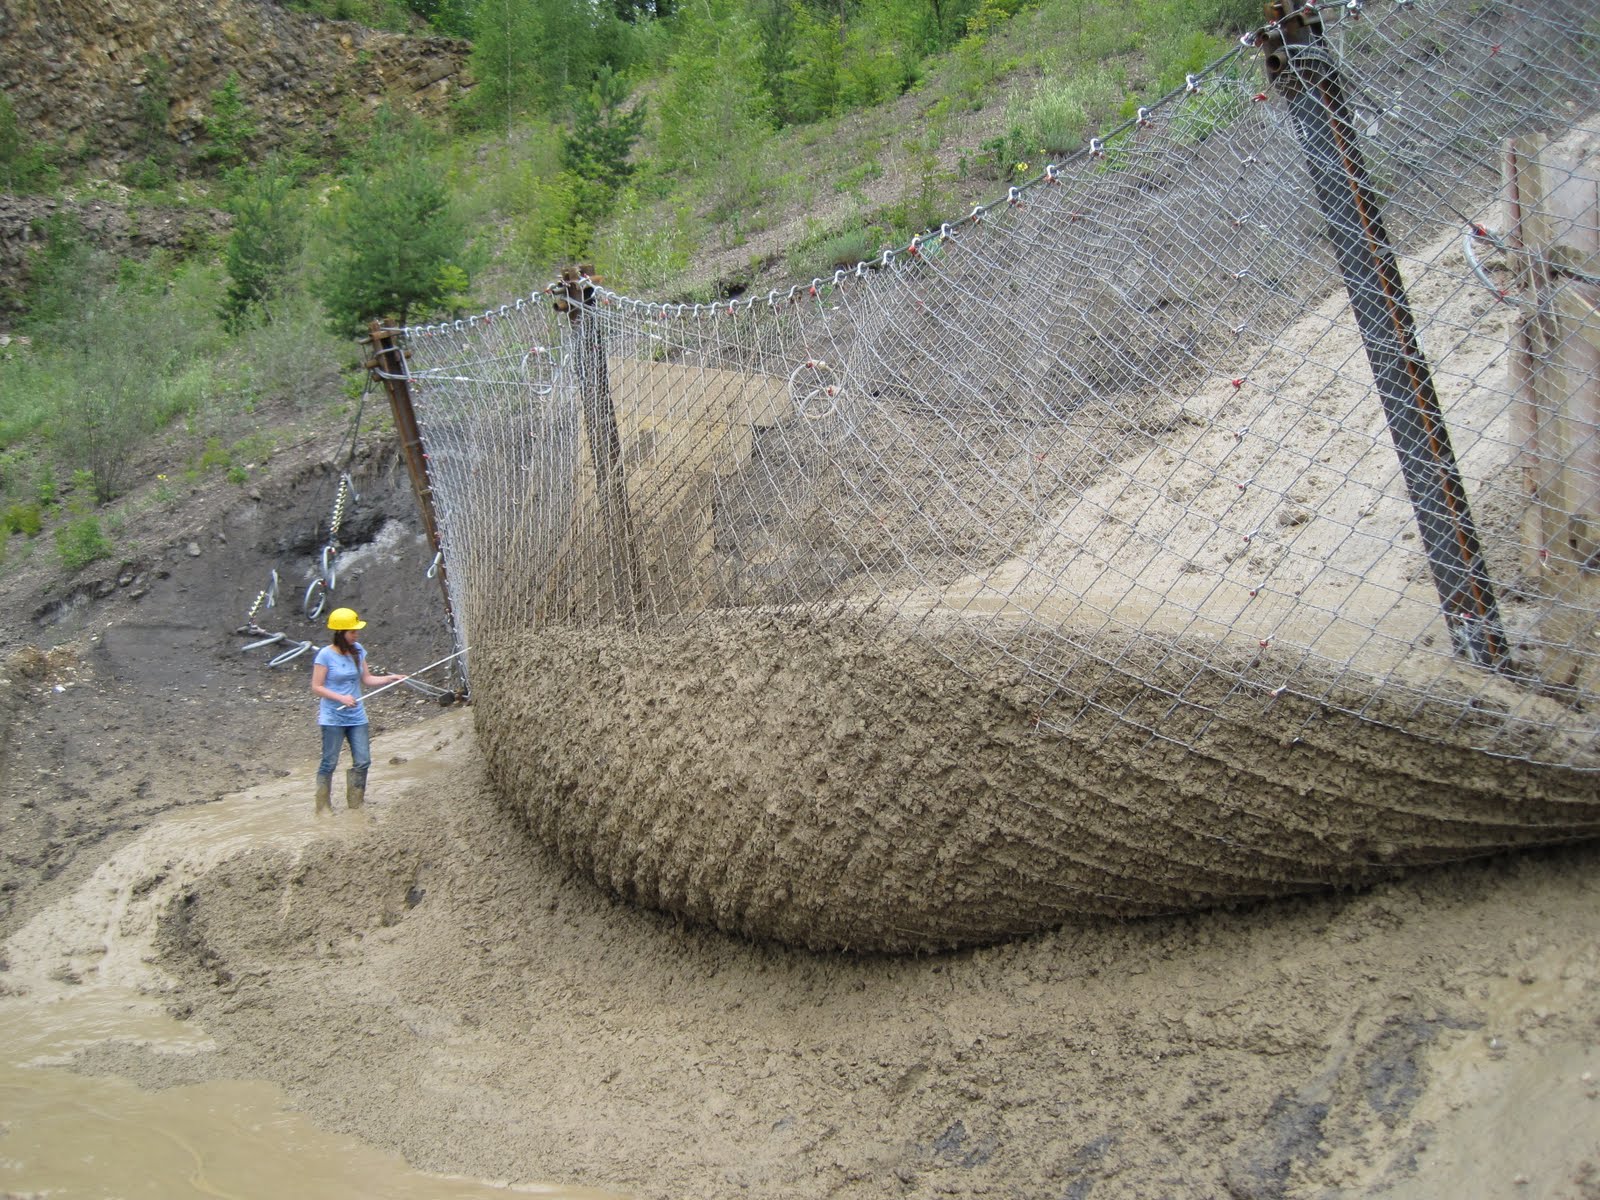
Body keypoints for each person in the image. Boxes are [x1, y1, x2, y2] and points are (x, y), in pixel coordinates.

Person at [309, 607, 406, 815]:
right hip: (333, 718)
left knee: (363, 760)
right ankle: (323, 808)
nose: (356, 635)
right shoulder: (325, 656)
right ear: (341, 633)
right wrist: (341, 697)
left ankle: (355, 804)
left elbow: (367, 679)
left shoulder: (358, 650)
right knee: (329, 762)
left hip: (357, 717)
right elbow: (316, 687)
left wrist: (391, 678)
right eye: (352, 632)